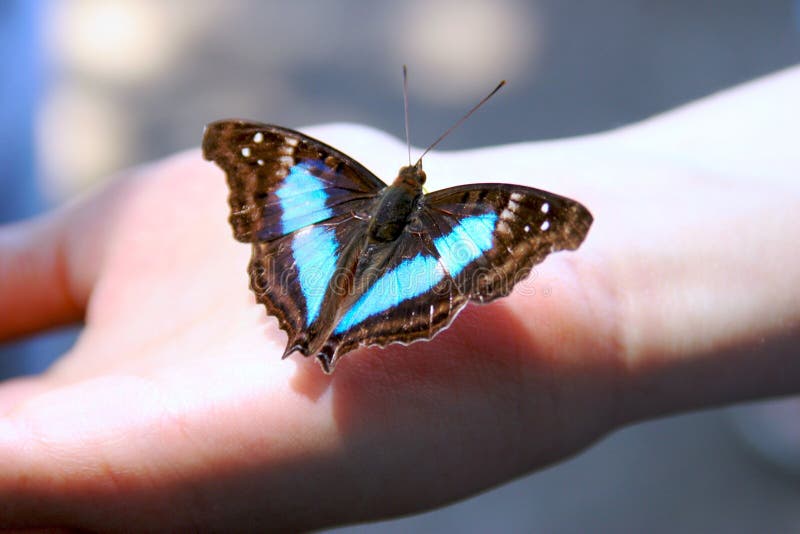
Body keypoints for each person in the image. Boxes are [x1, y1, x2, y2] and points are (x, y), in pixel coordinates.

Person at [0, 65, 797, 531]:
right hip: (380, 271)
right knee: (361, 288)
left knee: (340, 285)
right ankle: (333, 324)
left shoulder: (333, 176)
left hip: (316, 255)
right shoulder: (468, 210)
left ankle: (322, 320)